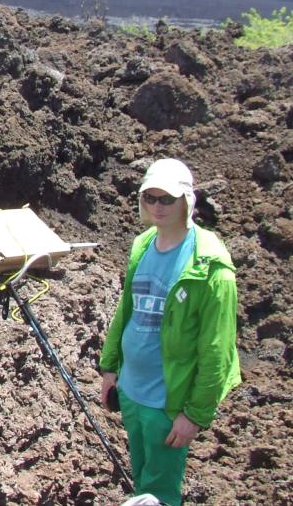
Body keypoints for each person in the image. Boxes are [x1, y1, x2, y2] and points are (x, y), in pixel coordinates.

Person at [99, 158, 241, 506]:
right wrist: (109, 366)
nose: (158, 207)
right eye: (150, 198)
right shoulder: (143, 245)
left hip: (168, 402)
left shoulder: (212, 269)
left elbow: (216, 351)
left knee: (160, 490)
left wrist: (195, 415)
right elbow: (127, 310)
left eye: (167, 199)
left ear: (186, 201)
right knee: (142, 477)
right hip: (131, 391)